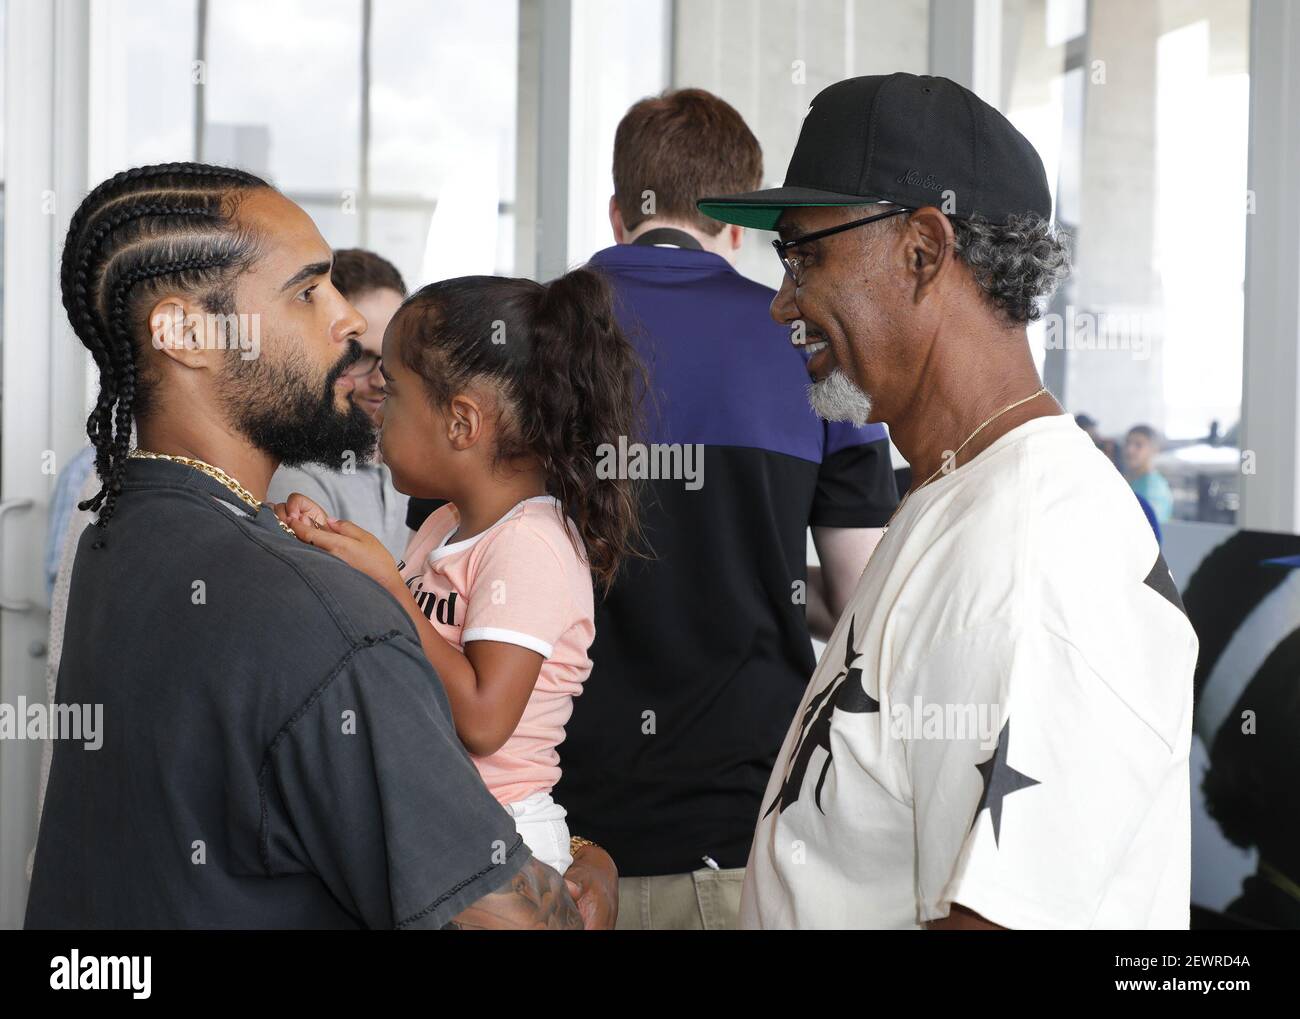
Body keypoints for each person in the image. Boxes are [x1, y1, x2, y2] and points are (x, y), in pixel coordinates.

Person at [26, 162, 615, 930]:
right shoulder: (326, 617)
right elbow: (527, 924)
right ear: (185, 332)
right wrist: (591, 865)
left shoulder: (112, 532)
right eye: (307, 291)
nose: (347, 321)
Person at [699, 72, 1198, 929]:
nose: (783, 300)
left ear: (923, 250)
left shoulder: (1035, 549)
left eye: (804, 253)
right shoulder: (957, 490)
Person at [554, 87, 892, 930]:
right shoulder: (816, 349)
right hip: (732, 831)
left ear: (616, 207)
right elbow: (863, 602)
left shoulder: (527, 333)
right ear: (733, 221)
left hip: (545, 836)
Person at [275, 269, 644, 876]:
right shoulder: (445, 525)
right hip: (446, 825)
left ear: (462, 423)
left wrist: (390, 589)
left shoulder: (530, 544)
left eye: (392, 390)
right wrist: (326, 548)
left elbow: (483, 719)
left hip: (498, 840)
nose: (376, 407)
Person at [266, 248, 410, 556]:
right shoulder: (294, 479)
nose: (383, 380)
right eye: (360, 357)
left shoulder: (414, 464)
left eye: (396, 357)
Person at [1126, 423, 1174, 525]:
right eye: (1128, 443)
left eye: (1138, 445)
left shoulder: (1153, 488)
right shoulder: (1137, 481)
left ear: (1154, 450)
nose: (1130, 450)